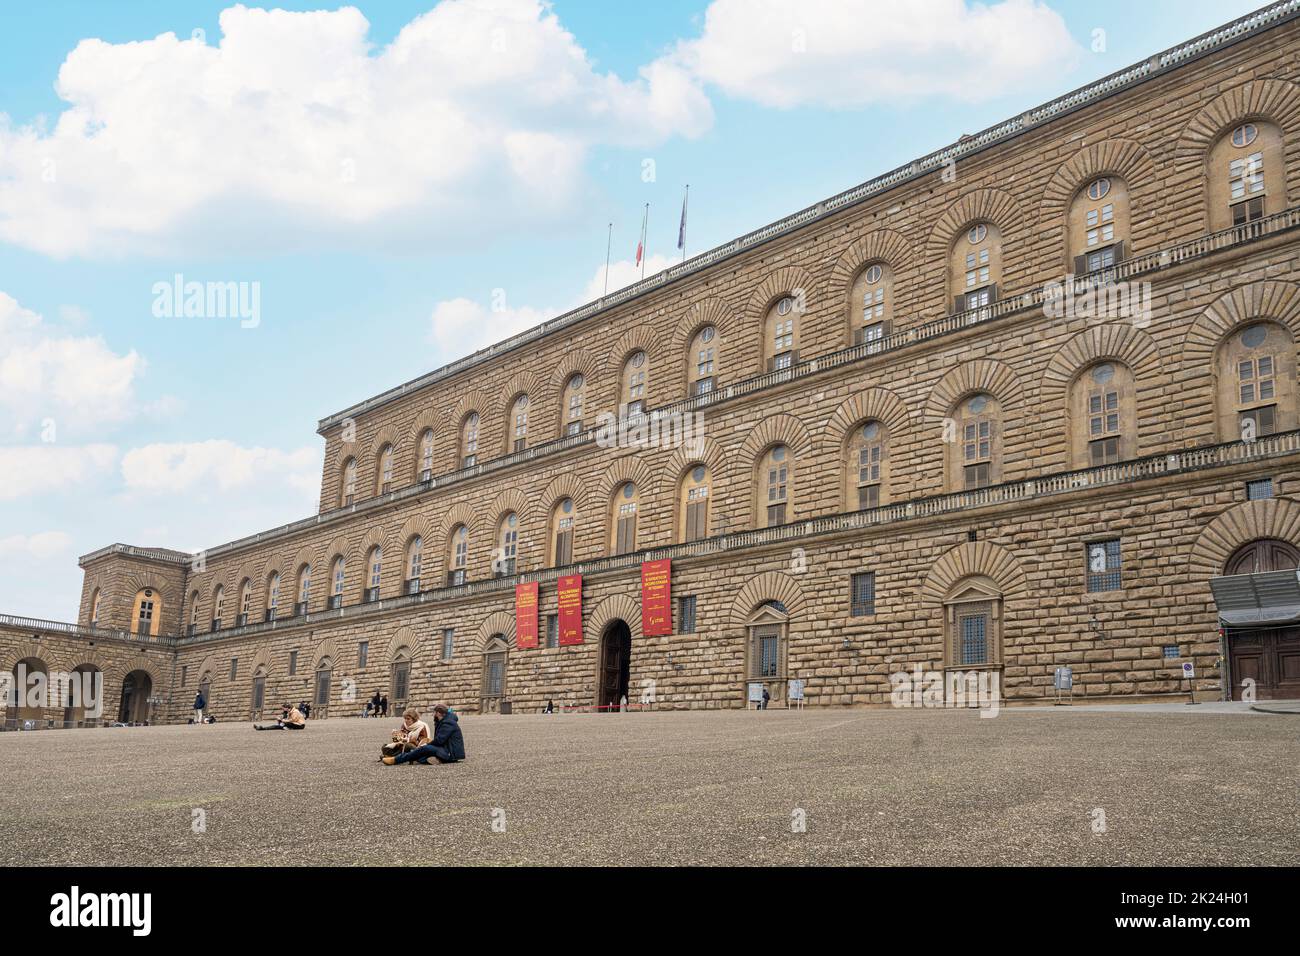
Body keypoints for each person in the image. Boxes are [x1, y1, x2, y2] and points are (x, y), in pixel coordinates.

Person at [383, 703, 464, 766]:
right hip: (446, 750)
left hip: (450, 753)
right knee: (421, 753)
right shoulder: (443, 721)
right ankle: (436, 759)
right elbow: (440, 740)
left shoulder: (448, 723)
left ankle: (396, 760)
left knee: (422, 749)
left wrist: (426, 744)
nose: (433, 714)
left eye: (434, 712)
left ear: (438, 713)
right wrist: (397, 737)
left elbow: (439, 740)